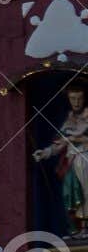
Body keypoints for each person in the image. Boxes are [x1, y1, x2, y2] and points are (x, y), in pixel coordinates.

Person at [33, 83, 88, 238]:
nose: (76, 102)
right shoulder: (69, 119)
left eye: (79, 98)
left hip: (85, 159)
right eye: (73, 98)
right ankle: (75, 229)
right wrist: (44, 153)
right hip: (71, 162)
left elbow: (73, 139)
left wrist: (75, 138)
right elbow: (59, 144)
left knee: (86, 194)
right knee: (69, 194)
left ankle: (85, 228)